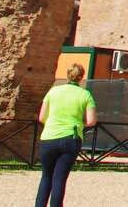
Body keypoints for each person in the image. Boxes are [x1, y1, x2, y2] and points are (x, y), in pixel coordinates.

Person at [34, 63, 97, 207]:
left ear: (67, 75)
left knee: (46, 177)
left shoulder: (53, 91)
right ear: (81, 77)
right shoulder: (85, 94)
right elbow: (92, 120)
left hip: (49, 136)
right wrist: (80, 123)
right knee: (59, 179)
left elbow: (42, 117)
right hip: (70, 137)